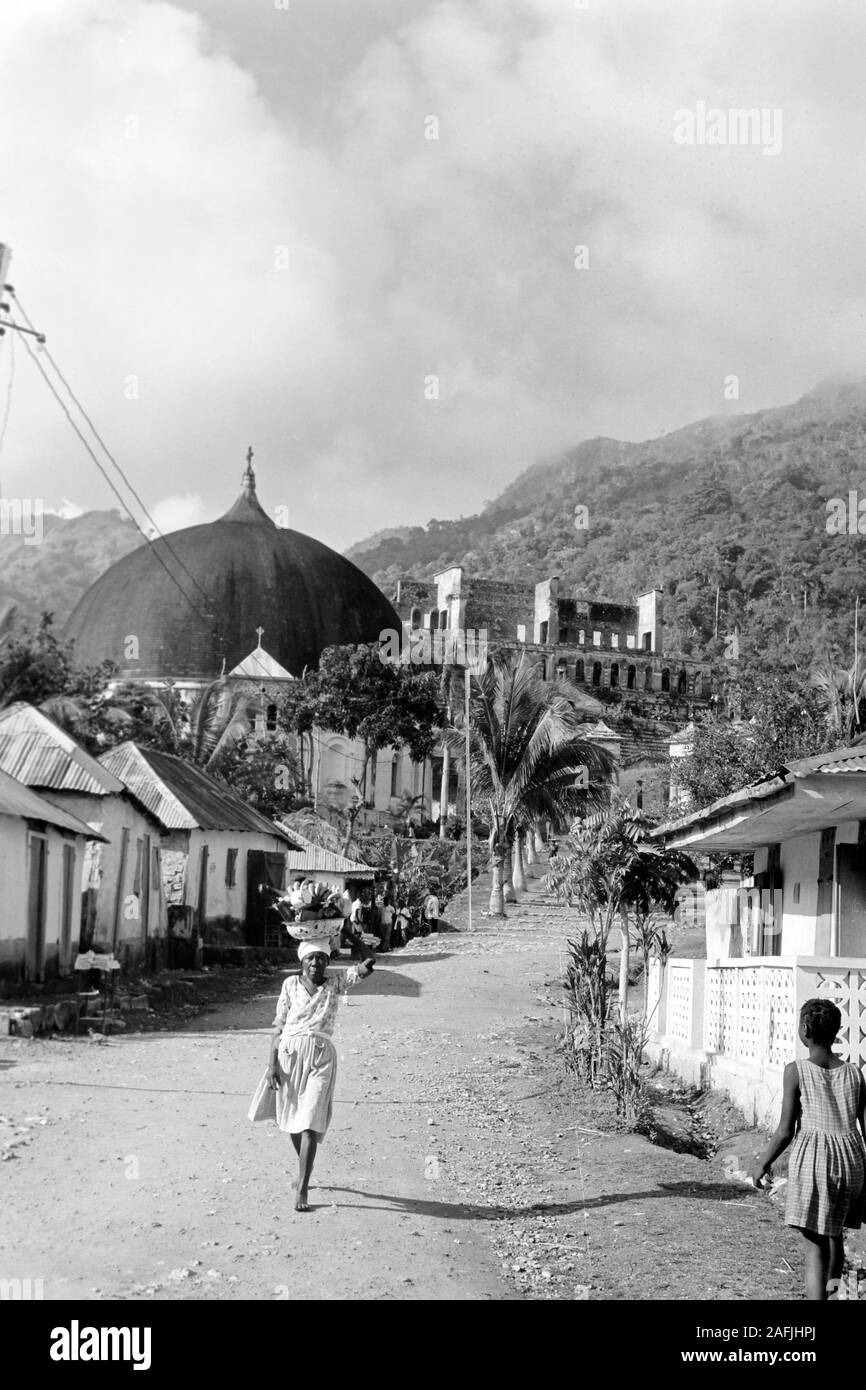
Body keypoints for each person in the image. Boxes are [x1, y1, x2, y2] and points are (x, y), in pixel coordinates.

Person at [750, 998, 866, 1300]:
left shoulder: (796, 1070)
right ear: (838, 1030)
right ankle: (832, 1293)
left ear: (804, 1029)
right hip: (851, 1162)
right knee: (834, 1235)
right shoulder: (856, 1074)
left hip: (816, 1161)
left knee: (814, 1244)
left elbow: (785, 1130)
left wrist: (763, 1162)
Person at [266, 939, 374, 1212]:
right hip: (290, 1055)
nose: (315, 963)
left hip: (322, 1055)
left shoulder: (336, 984)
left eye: (321, 958)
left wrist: (351, 935)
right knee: (293, 1120)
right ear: (301, 961)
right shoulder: (290, 985)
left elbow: (369, 963)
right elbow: (278, 1025)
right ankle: (305, 1169)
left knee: (311, 1121)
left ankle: (302, 1187)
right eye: (310, 958)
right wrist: (271, 1065)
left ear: (328, 961)